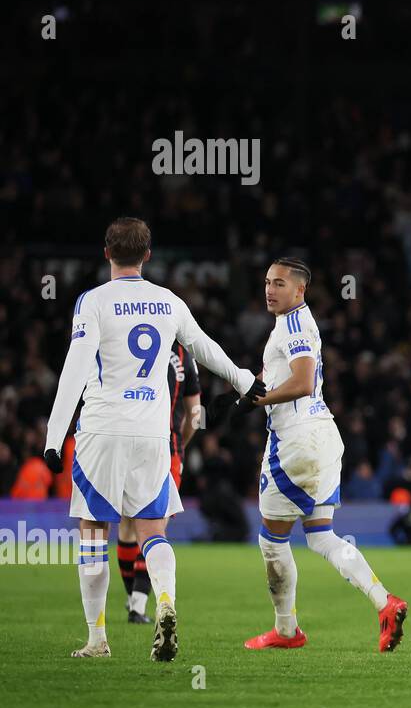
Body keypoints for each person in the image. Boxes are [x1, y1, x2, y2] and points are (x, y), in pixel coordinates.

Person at [43, 217, 263, 661]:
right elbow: (203, 346)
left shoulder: (93, 302)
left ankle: (97, 639)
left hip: (101, 431)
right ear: (147, 255)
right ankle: (164, 602)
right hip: (151, 432)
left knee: (93, 529)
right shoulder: (168, 301)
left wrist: (53, 436)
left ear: (107, 253)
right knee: (152, 530)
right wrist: (243, 379)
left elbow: (75, 368)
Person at [243, 257, 409, 652]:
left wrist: (257, 399)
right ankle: (385, 602)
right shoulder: (291, 324)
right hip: (323, 438)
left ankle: (286, 631)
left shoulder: (295, 324)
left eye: (280, 283)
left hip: (295, 440)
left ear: (300, 289)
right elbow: (282, 376)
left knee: (272, 540)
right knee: (320, 537)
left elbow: (300, 382)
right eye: (267, 281)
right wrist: (243, 390)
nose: (270, 289)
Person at [116, 341, 202, 624]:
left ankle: (133, 600)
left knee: (128, 525)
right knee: (155, 526)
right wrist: (182, 444)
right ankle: (139, 606)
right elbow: (195, 413)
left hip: (127, 441)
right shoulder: (183, 356)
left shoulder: (128, 342)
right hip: (167, 446)